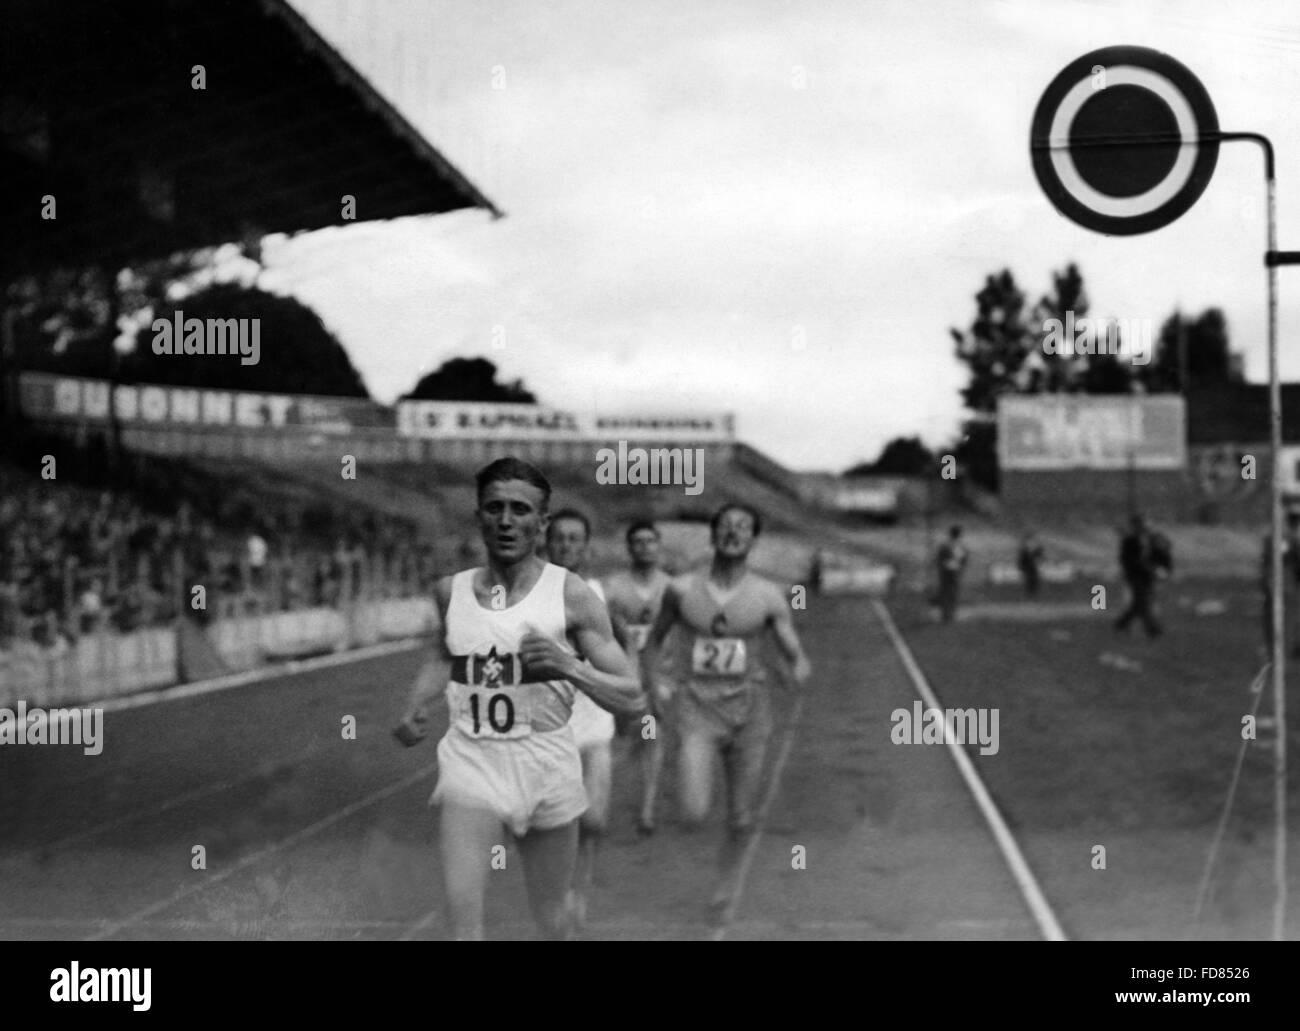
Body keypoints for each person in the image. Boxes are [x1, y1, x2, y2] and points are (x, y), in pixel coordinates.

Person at [393, 458, 643, 941]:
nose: (506, 520)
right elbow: (442, 655)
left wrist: (568, 665)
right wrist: (415, 705)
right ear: (479, 517)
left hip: (548, 763)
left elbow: (631, 695)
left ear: (541, 523)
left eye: (520, 510)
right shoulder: (450, 592)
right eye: (495, 508)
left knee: (551, 919)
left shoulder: (571, 596)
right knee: (462, 915)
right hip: (473, 762)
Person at [640, 502, 811, 920]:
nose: (734, 533)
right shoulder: (681, 590)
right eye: (726, 526)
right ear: (713, 535)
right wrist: (653, 685)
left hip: (751, 715)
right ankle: (675, 784)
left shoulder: (769, 595)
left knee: (741, 816)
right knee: (694, 812)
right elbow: (653, 642)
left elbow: (791, 647)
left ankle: (724, 885)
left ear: (753, 540)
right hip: (698, 709)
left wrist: (799, 666)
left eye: (743, 528)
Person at [543, 507, 615, 933]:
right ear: (545, 543)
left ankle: (578, 892)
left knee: (593, 821)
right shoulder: (523, 596)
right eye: (559, 538)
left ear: (586, 548)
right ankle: (560, 897)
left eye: (575, 539)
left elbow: (625, 648)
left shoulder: (601, 595)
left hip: (594, 728)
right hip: (547, 732)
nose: (566, 546)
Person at [603, 520, 674, 836]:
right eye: (638, 542)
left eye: (650, 541)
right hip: (619, 672)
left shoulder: (672, 588)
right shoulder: (612, 588)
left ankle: (646, 808)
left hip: (658, 674)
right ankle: (600, 798)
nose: (645, 547)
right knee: (615, 738)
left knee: (650, 734)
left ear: (659, 546)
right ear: (629, 547)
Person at [1114, 514, 1169, 638]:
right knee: (1142, 603)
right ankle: (1153, 630)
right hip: (1135, 577)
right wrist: (1147, 568)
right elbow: (1129, 560)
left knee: (1139, 604)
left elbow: (1159, 554)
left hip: (1147, 576)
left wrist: (1157, 569)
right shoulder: (1130, 542)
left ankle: (1121, 624)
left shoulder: (1149, 540)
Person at [935, 525, 968, 622]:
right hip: (950, 572)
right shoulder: (954, 546)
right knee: (950, 592)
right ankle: (948, 615)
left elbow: (964, 559)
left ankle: (948, 614)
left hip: (951, 572)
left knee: (949, 592)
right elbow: (964, 559)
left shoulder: (953, 545)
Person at [1017, 532, 1044, 598]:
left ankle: (1033, 594)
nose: (1030, 543)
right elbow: (1021, 561)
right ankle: (1029, 594)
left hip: (1032, 569)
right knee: (1029, 580)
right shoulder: (1024, 551)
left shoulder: (1036, 550)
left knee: (1033, 580)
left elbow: (1040, 557)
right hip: (1027, 568)